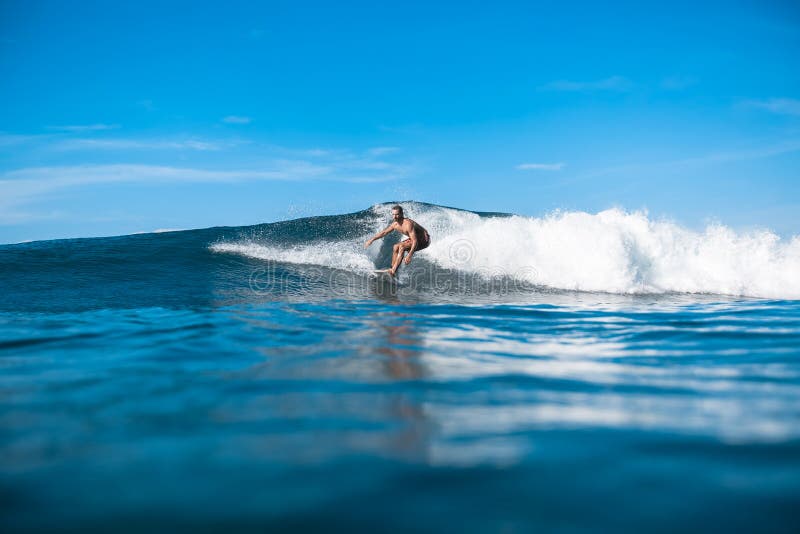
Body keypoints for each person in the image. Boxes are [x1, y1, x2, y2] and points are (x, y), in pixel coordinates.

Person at [364, 205, 431, 276]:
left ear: (402, 214)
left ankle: (393, 271)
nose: (394, 217)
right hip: (416, 239)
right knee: (395, 247)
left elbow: (415, 241)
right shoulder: (395, 224)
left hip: (424, 241)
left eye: (397, 214)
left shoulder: (408, 224)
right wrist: (372, 239)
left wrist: (410, 255)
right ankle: (393, 270)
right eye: (393, 214)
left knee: (402, 246)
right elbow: (384, 232)